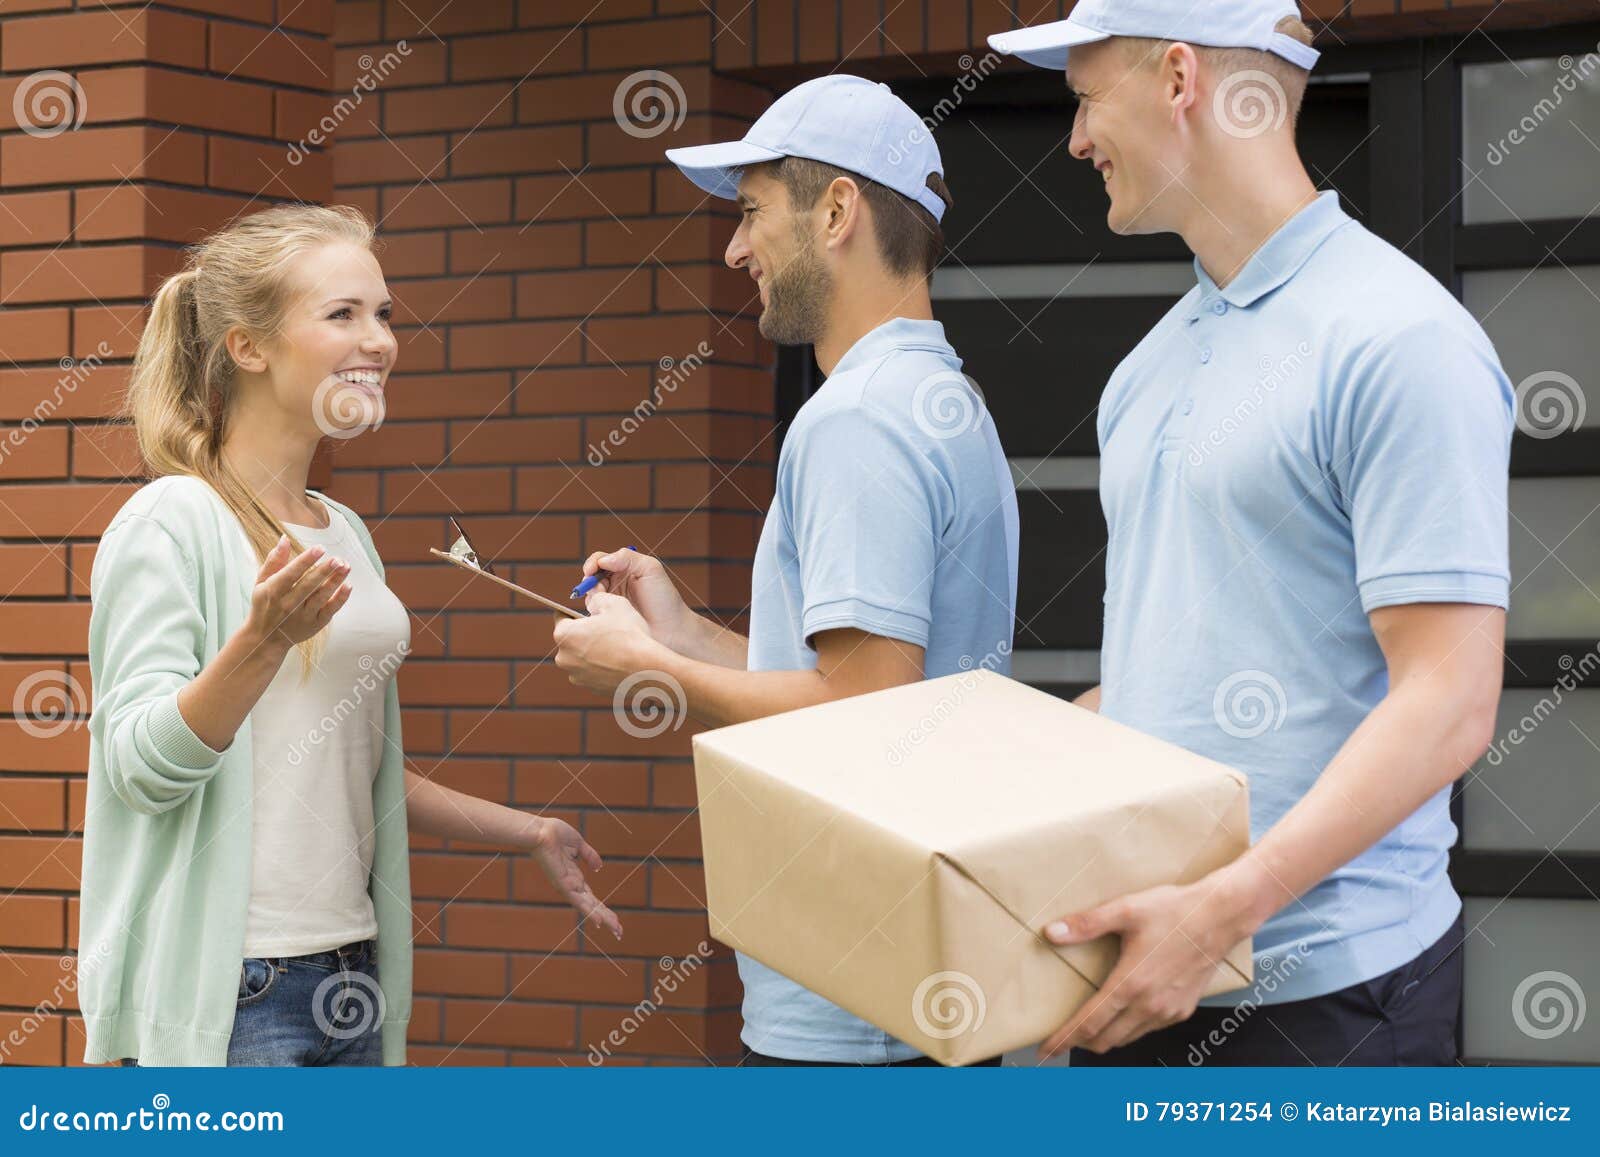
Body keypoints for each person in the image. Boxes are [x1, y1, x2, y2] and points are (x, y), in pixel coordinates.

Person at [987, 0, 1512, 1065]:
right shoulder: (1145, 369)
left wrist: (1228, 908)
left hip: (1330, 995)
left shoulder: (1398, 340)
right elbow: (1169, 671)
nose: (1076, 139)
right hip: (1148, 962)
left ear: (1179, 78)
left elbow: (1449, 698)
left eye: (1087, 100)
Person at [81, 204, 621, 1068]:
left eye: (384, 314)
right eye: (342, 315)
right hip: (231, 994)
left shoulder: (343, 530)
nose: (380, 340)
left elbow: (349, 763)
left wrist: (525, 830)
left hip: (351, 978)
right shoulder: (171, 520)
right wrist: (261, 641)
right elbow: (140, 769)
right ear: (247, 347)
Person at [549, 75, 1020, 1065]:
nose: (734, 247)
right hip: (915, 983)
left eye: (754, 211)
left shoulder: (855, 420)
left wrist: (650, 672)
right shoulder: (940, 397)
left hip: (850, 1007)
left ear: (838, 210)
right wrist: (686, 633)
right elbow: (867, 678)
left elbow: (866, 712)